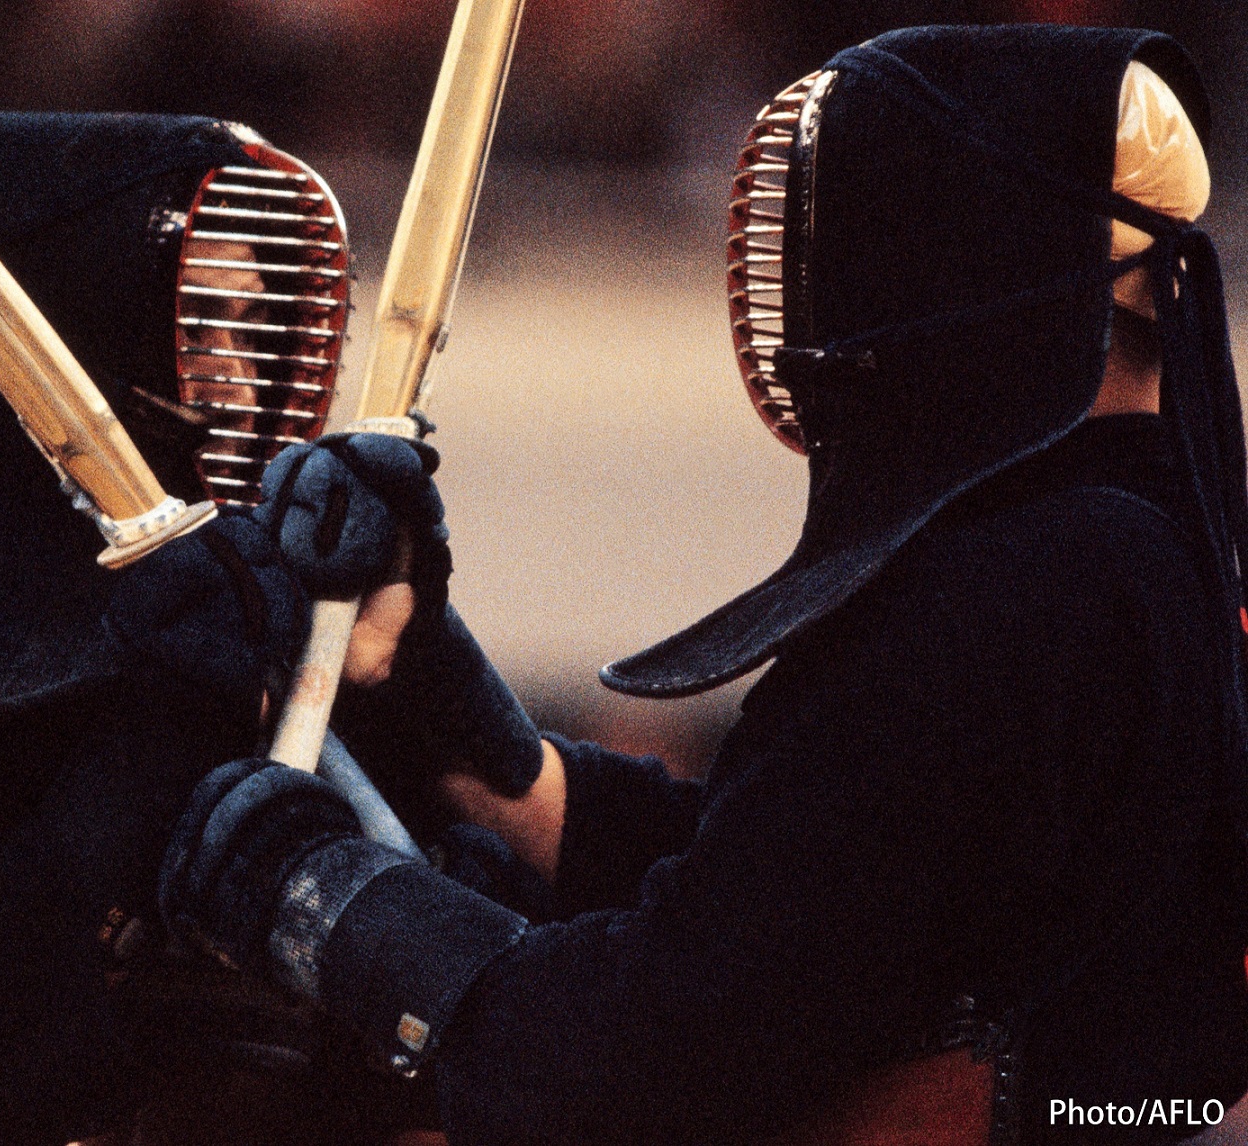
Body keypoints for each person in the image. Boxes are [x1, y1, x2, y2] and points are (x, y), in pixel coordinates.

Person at [157, 25, 1248, 1145]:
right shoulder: (1138, 553)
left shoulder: (1030, 586)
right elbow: (808, 901)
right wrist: (489, 752)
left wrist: (336, 909)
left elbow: (657, 1050)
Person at [0, 110, 449, 1145]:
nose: (239, 378)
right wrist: (151, 749)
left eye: (251, 333)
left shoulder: (283, 673)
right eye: (202, 334)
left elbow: (475, 1051)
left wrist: (429, 692)